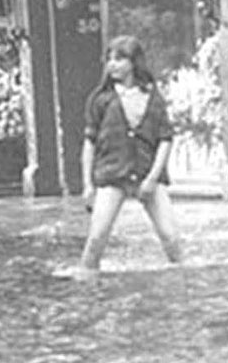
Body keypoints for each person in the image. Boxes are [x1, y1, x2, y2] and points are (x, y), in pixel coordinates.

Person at [72, 35, 181, 278]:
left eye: (119, 59)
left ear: (134, 62)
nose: (112, 64)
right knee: (97, 238)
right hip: (112, 174)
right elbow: (89, 143)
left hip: (147, 174)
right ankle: (87, 287)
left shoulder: (153, 97)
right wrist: (87, 185)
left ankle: (180, 286)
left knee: (171, 238)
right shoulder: (100, 99)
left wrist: (153, 178)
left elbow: (165, 139)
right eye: (109, 59)